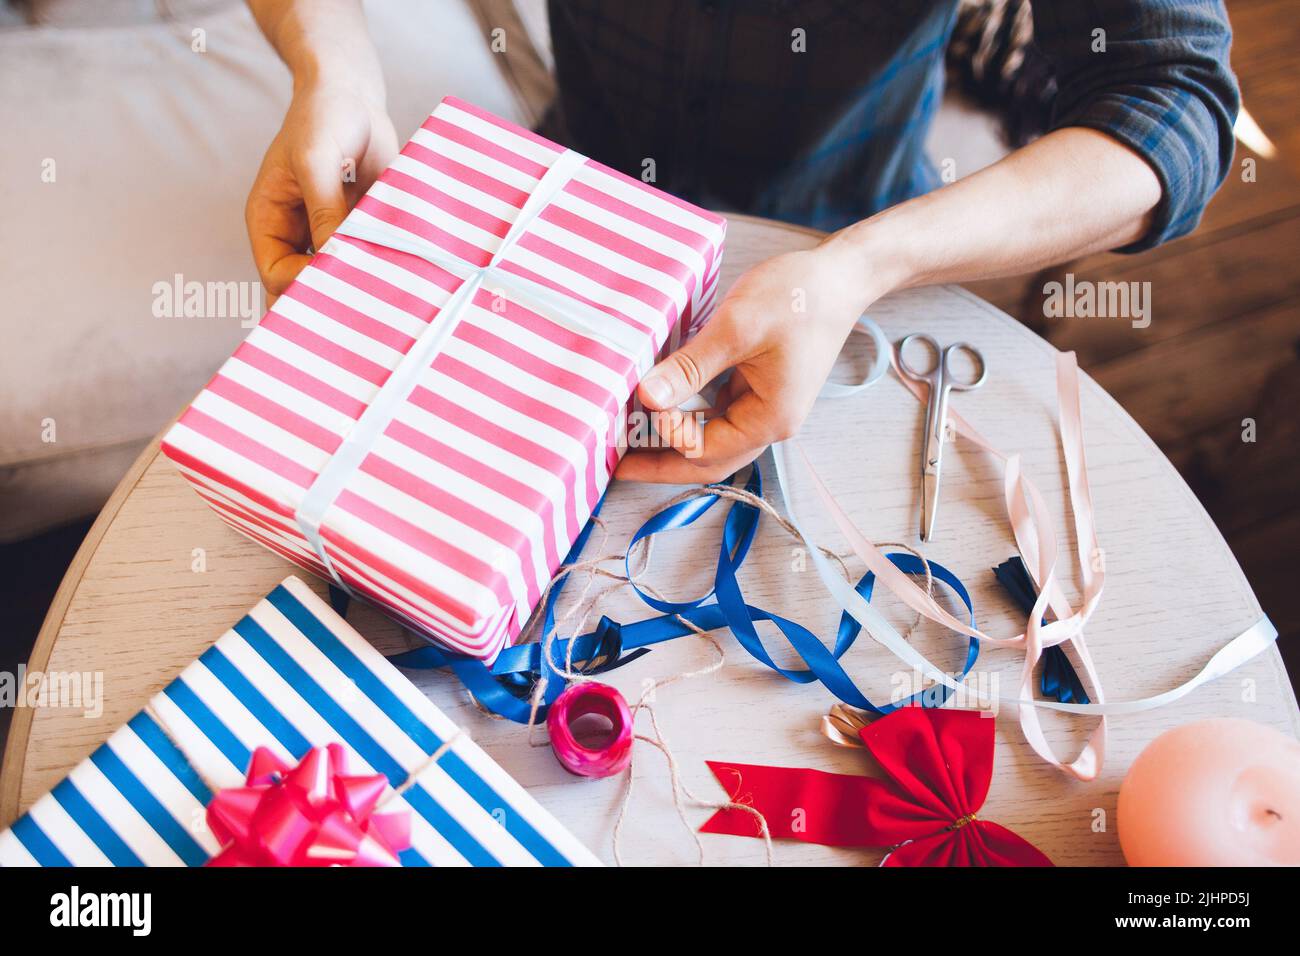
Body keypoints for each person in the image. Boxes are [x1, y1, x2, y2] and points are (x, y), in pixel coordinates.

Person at [244, 0, 1238, 484]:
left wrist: (864, 264)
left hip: (847, 265)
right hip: (567, 217)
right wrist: (330, 58)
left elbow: (1177, 105)